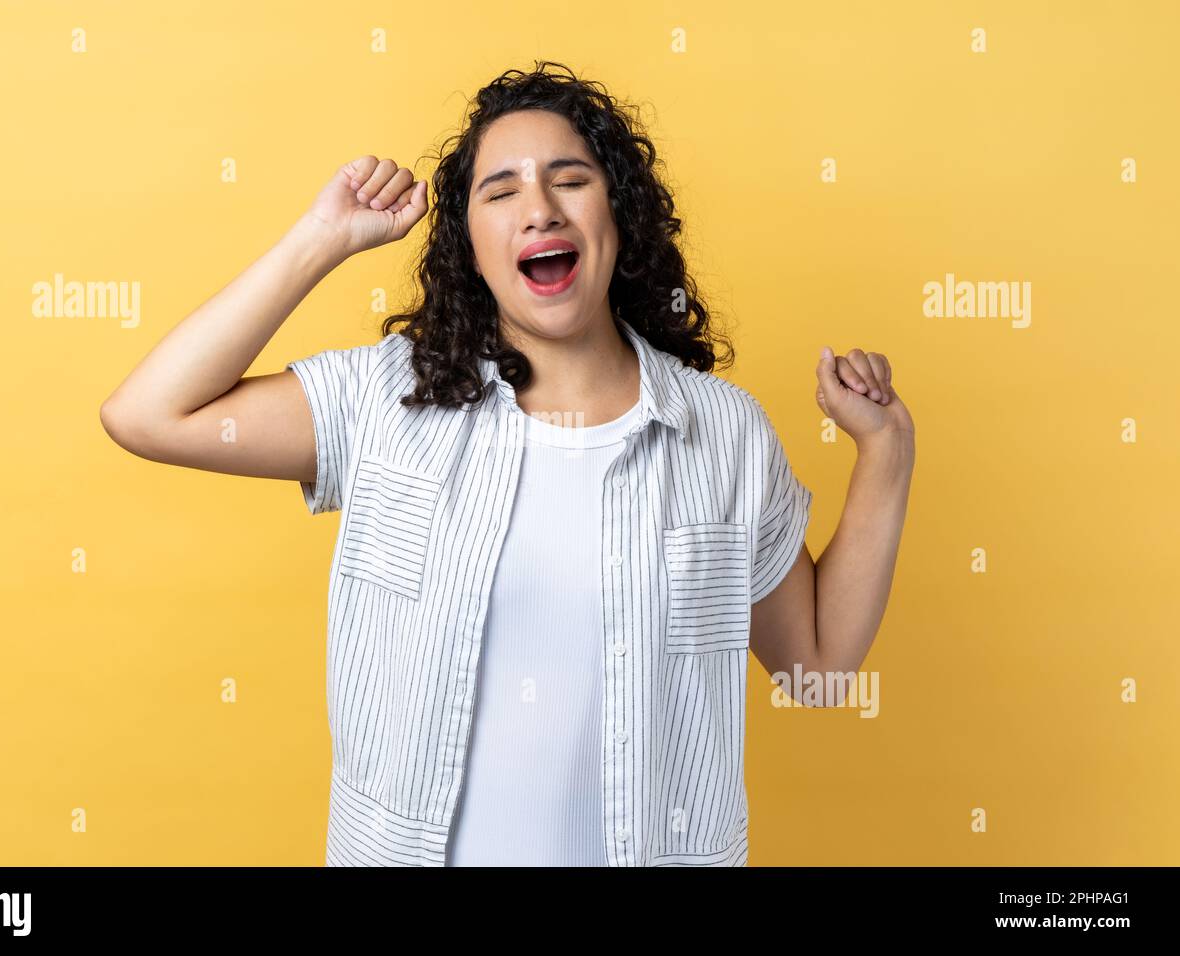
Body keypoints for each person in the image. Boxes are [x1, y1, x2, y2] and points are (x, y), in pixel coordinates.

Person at [99, 60, 915, 867]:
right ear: (473, 250)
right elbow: (148, 414)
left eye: (570, 180)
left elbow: (818, 670)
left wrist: (885, 451)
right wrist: (322, 240)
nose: (538, 210)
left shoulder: (723, 434)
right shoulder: (388, 400)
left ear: (617, 216)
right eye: (501, 192)